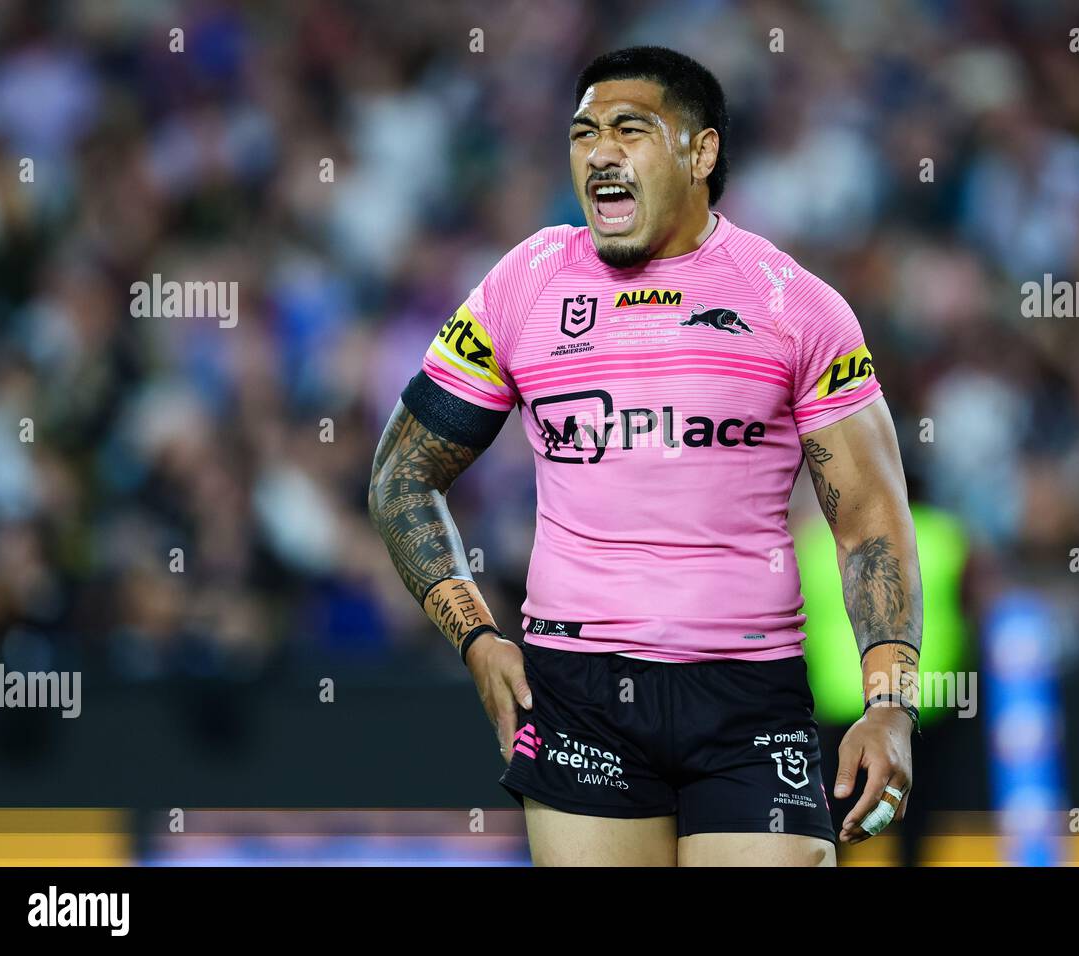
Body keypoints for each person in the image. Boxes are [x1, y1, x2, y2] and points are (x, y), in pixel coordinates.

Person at [369, 46, 922, 867]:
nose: (599, 152)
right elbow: (401, 475)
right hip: (577, 690)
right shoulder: (524, 285)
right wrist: (477, 639)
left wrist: (891, 707)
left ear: (700, 154)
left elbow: (871, 527)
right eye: (583, 132)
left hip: (747, 698)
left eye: (631, 129)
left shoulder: (794, 305)